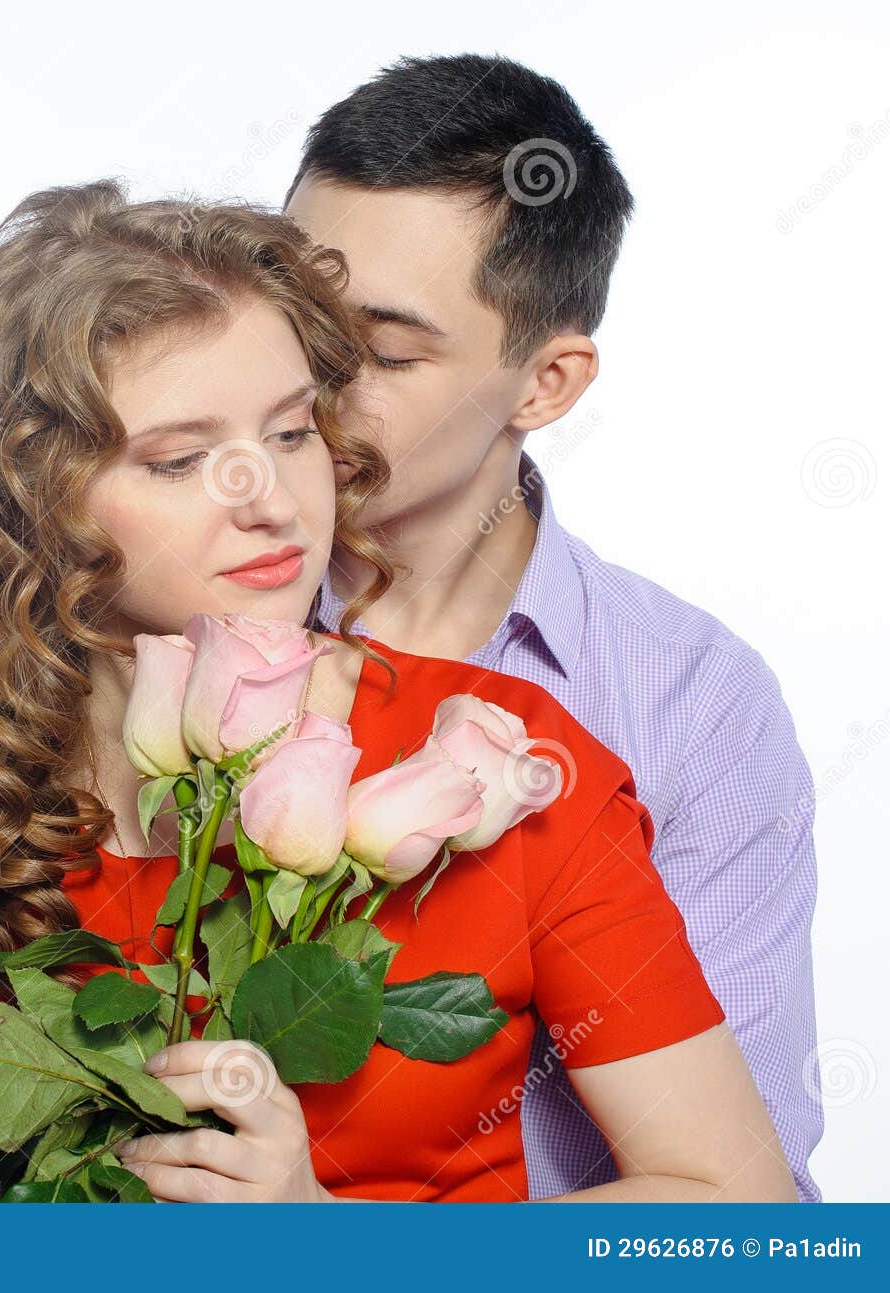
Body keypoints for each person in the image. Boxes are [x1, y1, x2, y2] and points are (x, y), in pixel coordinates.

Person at [0, 180, 795, 1203]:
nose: (269, 501)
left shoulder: (486, 762)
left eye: (289, 434)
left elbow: (738, 1210)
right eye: (182, 460)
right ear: (31, 511)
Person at [281, 53, 822, 1200]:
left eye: (383, 352)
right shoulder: (176, 625)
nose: (310, 385)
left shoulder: (690, 710)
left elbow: (742, 1218)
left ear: (546, 383)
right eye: (291, 319)